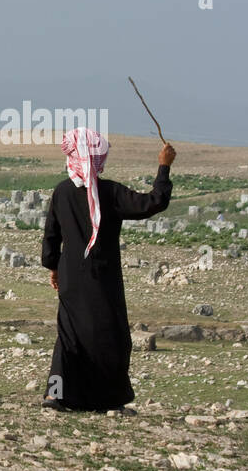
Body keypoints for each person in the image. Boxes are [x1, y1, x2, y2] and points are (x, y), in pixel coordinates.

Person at [41, 127, 175, 412]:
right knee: (110, 336)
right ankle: (105, 400)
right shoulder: (110, 192)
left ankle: (55, 395)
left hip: (70, 278)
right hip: (102, 278)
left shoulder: (62, 192)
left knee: (68, 337)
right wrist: (164, 167)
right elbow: (154, 202)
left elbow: (51, 235)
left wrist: (54, 268)